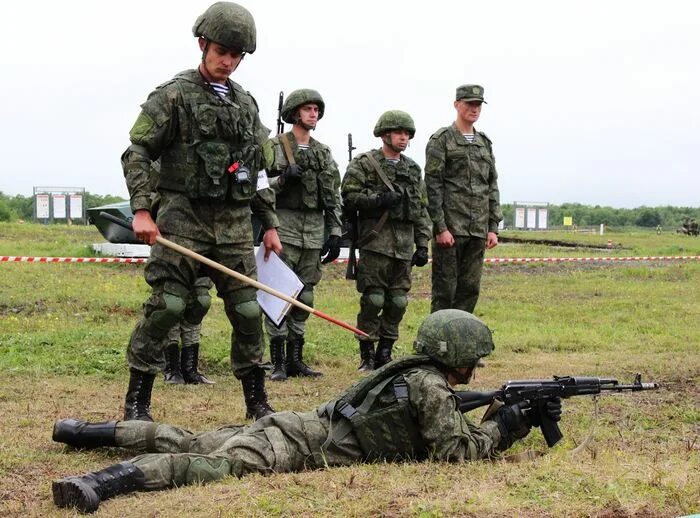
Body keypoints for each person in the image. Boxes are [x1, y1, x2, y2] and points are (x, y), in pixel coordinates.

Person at [51, 309, 563, 513]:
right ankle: (105, 481)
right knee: (210, 464)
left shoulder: (413, 372)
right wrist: (504, 428)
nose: (477, 365)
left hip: (299, 425)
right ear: (455, 354)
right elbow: (455, 453)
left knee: (188, 439)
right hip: (299, 444)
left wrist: (496, 414)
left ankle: (83, 431)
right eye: (473, 357)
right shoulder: (430, 387)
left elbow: (442, 428)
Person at [120, 2, 282, 422]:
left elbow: (257, 169)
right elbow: (137, 151)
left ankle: (257, 402)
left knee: (248, 311)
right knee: (169, 306)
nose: (228, 61)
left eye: (237, 55)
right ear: (203, 44)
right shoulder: (173, 95)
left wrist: (270, 225)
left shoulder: (247, 105)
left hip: (232, 226)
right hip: (181, 219)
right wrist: (142, 209)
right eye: (222, 51)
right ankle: (137, 400)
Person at [262, 89, 342, 381]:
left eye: (316, 110)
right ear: (295, 113)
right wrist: (281, 179)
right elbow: (258, 186)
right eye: (307, 109)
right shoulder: (274, 146)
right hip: (284, 227)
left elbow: (333, 194)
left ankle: (296, 359)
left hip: (313, 230)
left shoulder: (323, 152)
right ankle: (278, 361)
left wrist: (334, 231)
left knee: (305, 296)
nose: (313, 114)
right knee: (279, 293)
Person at [341, 111, 432, 371]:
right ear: (384, 135)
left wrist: (423, 244)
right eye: (399, 133)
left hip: (403, 246)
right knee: (374, 300)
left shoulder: (412, 169)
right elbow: (348, 195)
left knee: (398, 302)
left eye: (407, 134)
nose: (404, 138)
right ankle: (367, 353)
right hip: (375, 243)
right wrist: (378, 199)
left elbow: (421, 209)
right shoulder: (365, 163)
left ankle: (385, 352)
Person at [425, 85, 503, 314]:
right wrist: (440, 227)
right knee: (445, 290)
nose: (474, 109)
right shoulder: (442, 140)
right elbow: (432, 186)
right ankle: (438, 341)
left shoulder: (484, 143)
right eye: (469, 104)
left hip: (477, 230)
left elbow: (492, 186)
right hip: (451, 230)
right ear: (457, 104)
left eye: (478, 104)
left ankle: (461, 342)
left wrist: (492, 227)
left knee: (470, 289)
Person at [162, 276, 215, 385]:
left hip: (200, 266)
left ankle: (190, 371)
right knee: (172, 305)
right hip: (173, 267)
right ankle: (172, 371)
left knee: (200, 301)